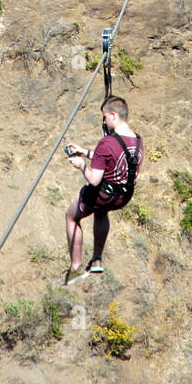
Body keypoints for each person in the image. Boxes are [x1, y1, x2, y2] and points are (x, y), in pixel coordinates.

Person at [63, 96, 144, 285]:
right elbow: (116, 161)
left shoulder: (106, 143)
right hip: (123, 196)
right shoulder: (138, 141)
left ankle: (75, 267)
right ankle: (97, 259)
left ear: (113, 115)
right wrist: (88, 153)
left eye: (105, 117)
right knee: (101, 212)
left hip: (101, 194)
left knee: (71, 216)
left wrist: (81, 164)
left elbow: (94, 179)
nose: (104, 122)